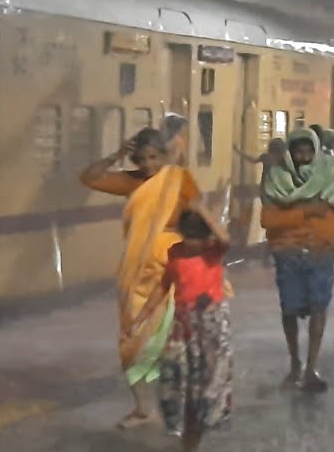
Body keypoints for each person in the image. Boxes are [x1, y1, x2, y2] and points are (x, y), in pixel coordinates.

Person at [78, 127, 204, 429]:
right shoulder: (132, 182)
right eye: (142, 158)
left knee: (172, 338)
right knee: (132, 338)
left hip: (173, 269)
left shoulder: (179, 181)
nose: (148, 164)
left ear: (164, 155)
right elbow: (89, 178)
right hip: (137, 271)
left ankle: (178, 404)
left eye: (154, 157)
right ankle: (143, 408)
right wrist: (117, 155)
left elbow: (198, 221)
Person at [260, 128, 334, 393]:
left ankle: (311, 367)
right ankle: (295, 364)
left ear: (316, 151)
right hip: (288, 255)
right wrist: (308, 211)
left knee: (318, 308)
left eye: (308, 151)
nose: (303, 157)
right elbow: (268, 220)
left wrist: (326, 240)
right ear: (290, 154)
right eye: (298, 152)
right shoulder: (277, 178)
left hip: (320, 254)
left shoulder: (333, 175)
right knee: (289, 309)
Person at [132, 208, 233, 451]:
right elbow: (163, 287)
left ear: (206, 238)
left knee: (205, 387)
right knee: (179, 380)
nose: (190, 244)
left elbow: (226, 238)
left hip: (210, 329)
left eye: (196, 238)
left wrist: (204, 211)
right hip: (183, 327)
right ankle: (186, 436)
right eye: (186, 237)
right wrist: (142, 317)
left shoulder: (213, 252)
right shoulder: (175, 253)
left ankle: (194, 438)